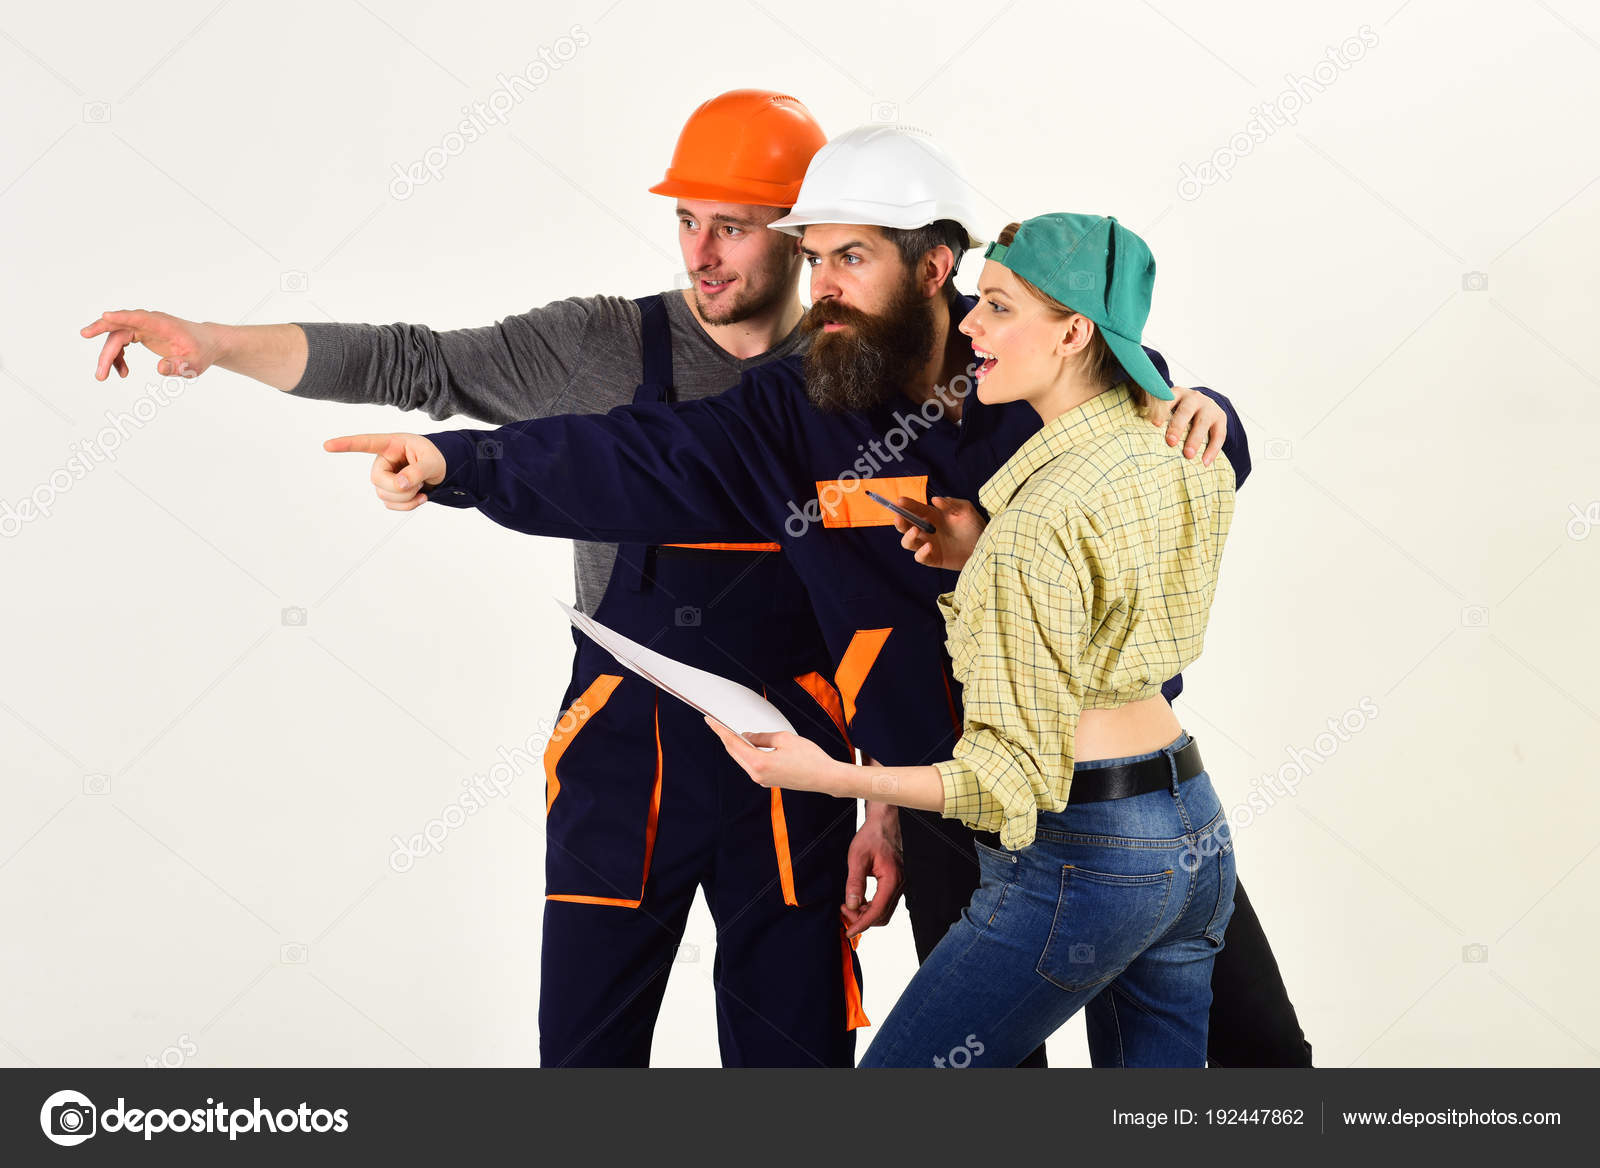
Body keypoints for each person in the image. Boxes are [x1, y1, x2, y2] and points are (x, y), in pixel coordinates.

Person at [322, 125, 1309, 1065]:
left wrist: (1211, 414)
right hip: (951, 803)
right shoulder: (797, 407)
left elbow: (1174, 446)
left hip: (1117, 789)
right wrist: (458, 463)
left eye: (851, 258)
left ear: (933, 265)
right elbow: (641, 456)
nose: (821, 286)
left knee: (1253, 1060)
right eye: (814, 255)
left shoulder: (1035, 358)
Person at [80, 90, 893, 1069]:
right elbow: (416, 361)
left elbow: (886, 601)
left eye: (733, 227)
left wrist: (883, 802)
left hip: (799, 762)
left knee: (795, 1061)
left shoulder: (863, 371)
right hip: (619, 758)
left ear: (799, 236)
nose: (701, 253)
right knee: (585, 1059)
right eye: (685, 221)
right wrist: (215, 343)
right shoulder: (599, 345)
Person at [707, 212, 1239, 1066]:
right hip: (1191, 824)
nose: (968, 325)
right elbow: (1111, 600)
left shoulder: (1036, 521)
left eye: (995, 307)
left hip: (1085, 852)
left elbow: (1006, 784)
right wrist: (986, 550)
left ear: (1072, 332)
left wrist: (828, 775)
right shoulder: (1187, 455)